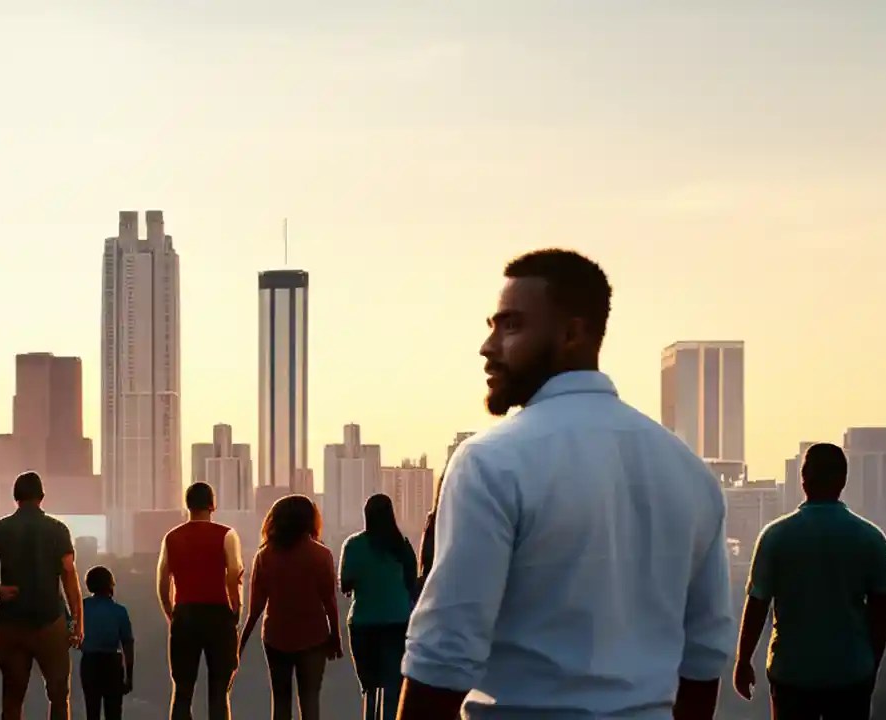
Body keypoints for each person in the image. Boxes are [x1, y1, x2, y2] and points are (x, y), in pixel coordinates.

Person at [399, 250, 734, 720]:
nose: (488, 346)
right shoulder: (690, 473)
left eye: (511, 326)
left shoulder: (490, 463)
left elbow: (444, 654)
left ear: (572, 334)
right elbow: (703, 659)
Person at [734, 443, 886, 720]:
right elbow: (881, 612)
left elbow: (758, 604)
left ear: (803, 478)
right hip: (851, 672)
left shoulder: (775, 536)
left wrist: (743, 660)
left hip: (791, 672)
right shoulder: (871, 538)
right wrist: (871, 663)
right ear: (843, 480)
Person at [0, 471, 83, 720]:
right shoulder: (57, 530)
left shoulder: (2, 528)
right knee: (58, 695)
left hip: (11, 622)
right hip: (50, 621)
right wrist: (77, 622)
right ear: (42, 496)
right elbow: (68, 574)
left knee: (12, 697)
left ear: (15, 497)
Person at [240, 495, 342, 720]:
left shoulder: (264, 556)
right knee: (310, 702)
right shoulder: (322, 555)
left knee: (281, 702)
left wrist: (240, 645)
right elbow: (330, 602)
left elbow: (255, 609)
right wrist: (336, 637)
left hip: (276, 638)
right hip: (314, 638)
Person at [157, 481, 245, 720]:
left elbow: (163, 581)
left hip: (184, 614)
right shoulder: (227, 535)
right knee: (219, 690)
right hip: (218, 614)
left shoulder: (172, 537)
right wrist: (236, 609)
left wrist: (171, 613)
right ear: (212, 505)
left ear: (188, 505)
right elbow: (234, 574)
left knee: (182, 689)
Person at [340, 494, 417, 720]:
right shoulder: (401, 547)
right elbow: (412, 583)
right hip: (398, 622)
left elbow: (345, 583)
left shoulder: (354, 545)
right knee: (394, 686)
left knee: (370, 688)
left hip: (364, 624)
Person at [79, 565, 135, 720]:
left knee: (92, 711)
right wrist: (129, 675)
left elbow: (72, 626)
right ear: (110, 585)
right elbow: (128, 644)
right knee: (114, 713)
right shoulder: (119, 611)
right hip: (112, 664)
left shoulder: (82, 607)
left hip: (89, 663)